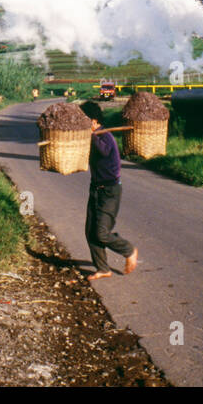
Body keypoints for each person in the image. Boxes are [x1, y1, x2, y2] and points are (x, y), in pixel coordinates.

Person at [79, 100, 138, 281]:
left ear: (93, 121)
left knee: (102, 233)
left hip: (110, 191)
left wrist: (92, 135)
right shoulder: (92, 135)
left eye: (83, 120)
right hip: (95, 189)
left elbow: (104, 151)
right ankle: (103, 268)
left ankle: (128, 250)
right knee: (91, 232)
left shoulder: (104, 136)